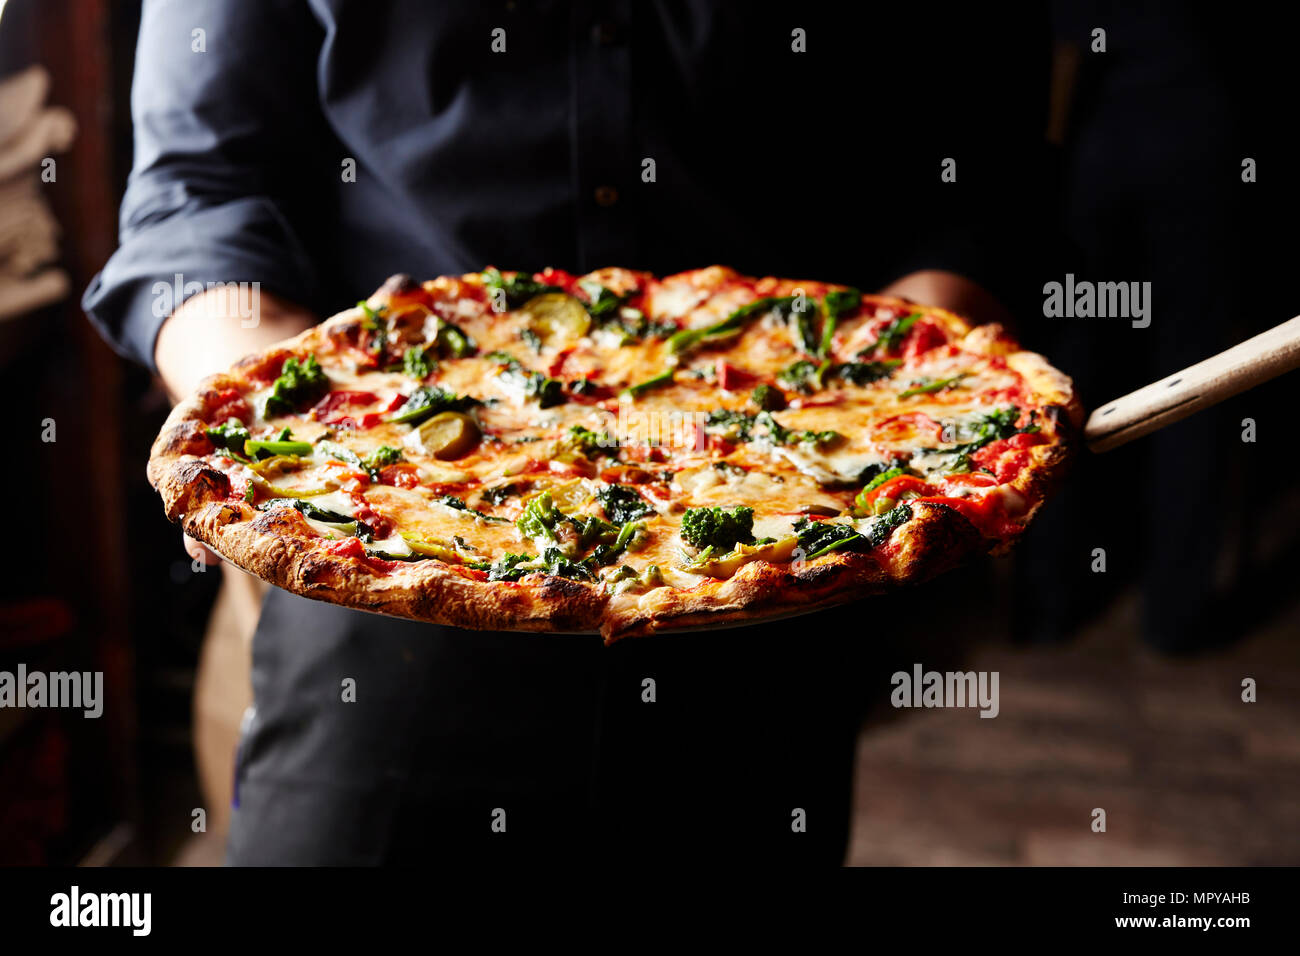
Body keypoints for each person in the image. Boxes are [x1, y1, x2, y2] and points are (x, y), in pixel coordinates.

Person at [85, 1, 1050, 864]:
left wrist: (919, 402)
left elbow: (970, 171)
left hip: (778, 585)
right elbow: (197, 197)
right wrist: (284, 420)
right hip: (385, 592)